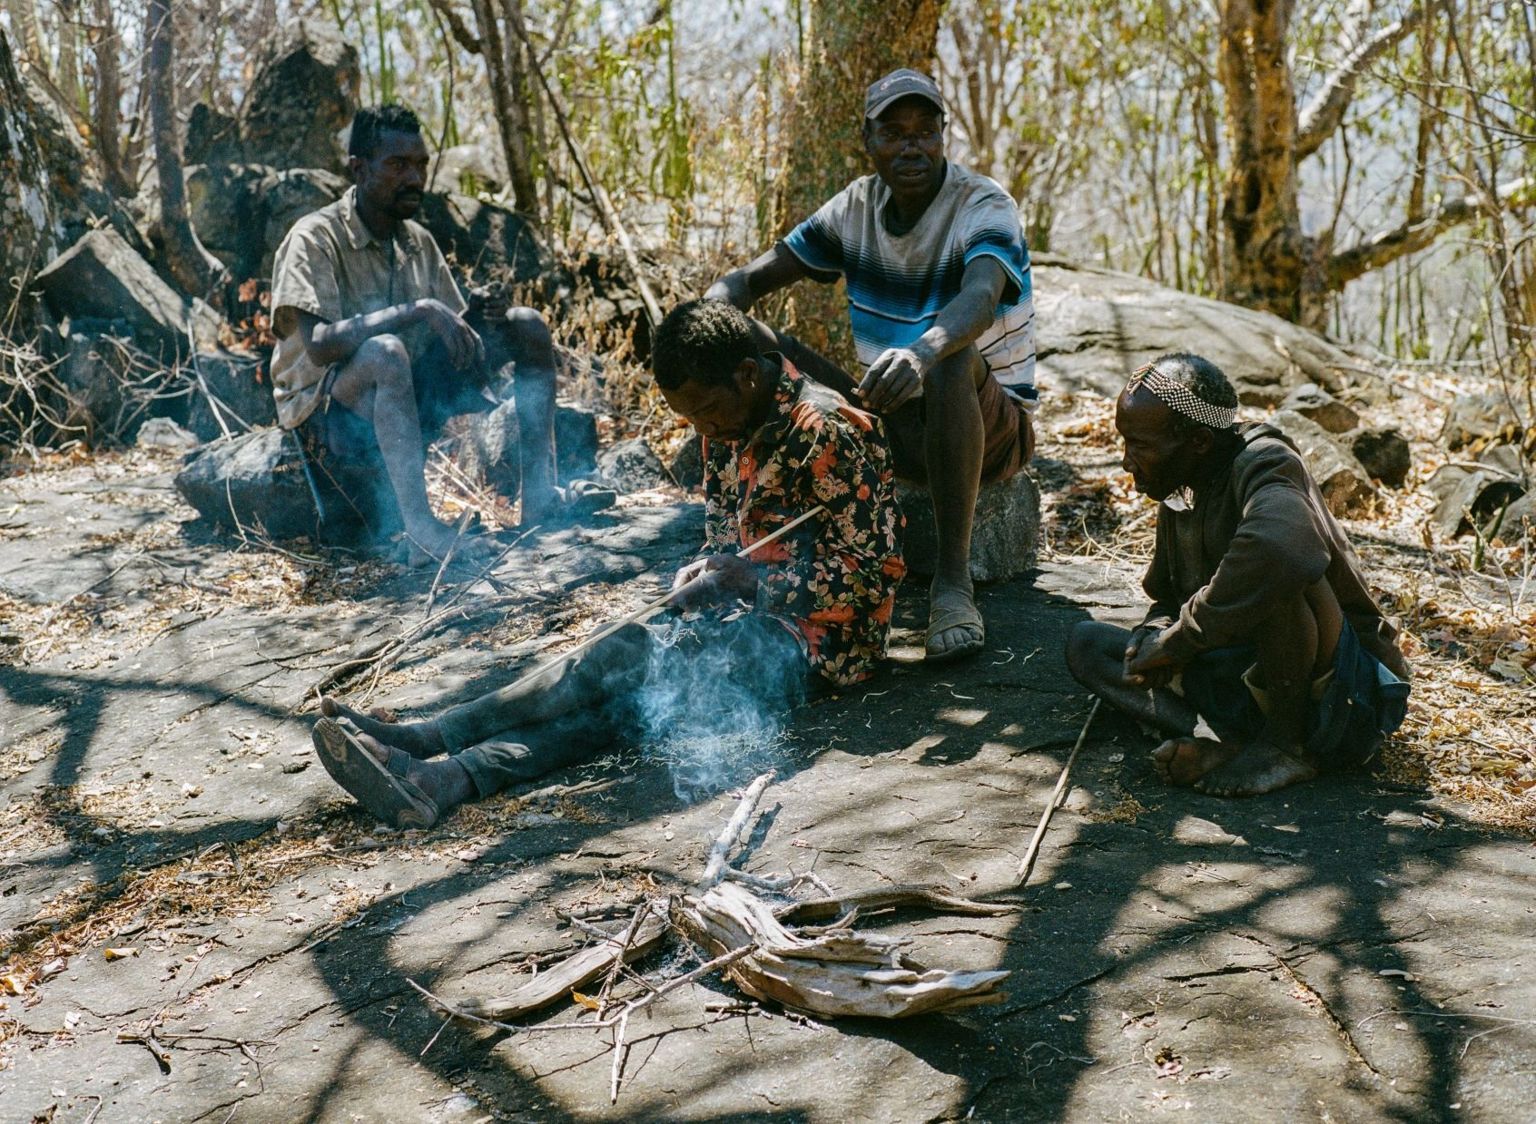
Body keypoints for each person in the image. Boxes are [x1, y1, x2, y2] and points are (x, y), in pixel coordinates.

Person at [310, 299, 906, 828]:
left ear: (748, 375)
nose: (702, 429)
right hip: (740, 619)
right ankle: (433, 751)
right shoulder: (727, 424)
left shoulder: (828, 433)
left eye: (705, 410)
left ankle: (446, 768)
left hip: (820, 648)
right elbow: (727, 539)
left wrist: (752, 583)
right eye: (689, 418)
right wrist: (705, 575)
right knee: (619, 656)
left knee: (632, 692)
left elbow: (874, 577)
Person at [706, 68, 1035, 662]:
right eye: (894, 133)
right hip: (887, 418)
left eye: (925, 131)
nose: (912, 147)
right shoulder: (856, 206)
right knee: (751, 340)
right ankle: (748, 536)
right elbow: (752, 278)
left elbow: (981, 297)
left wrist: (922, 351)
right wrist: (707, 313)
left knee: (951, 359)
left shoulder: (983, 204)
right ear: (868, 139)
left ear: (943, 135)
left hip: (988, 430)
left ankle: (952, 585)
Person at [1065, 354, 1411, 797]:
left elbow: (1281, 552)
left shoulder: (1266, 461)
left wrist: (1178, 642)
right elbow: (1168, 598)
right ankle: (1229, 742)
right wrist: (1153, 634)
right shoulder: (1182, 485)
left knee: (1276, 577)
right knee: (1088, 645)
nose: (1127, 462)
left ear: (1199, 441)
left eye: (1140, 446)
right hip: (1243, 675)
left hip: (1342, 698)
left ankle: (1285, 747)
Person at [269, 103, 600, 564]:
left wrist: (479, 318)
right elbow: (321, 345)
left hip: (399, 393)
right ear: (359, 169)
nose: (415, 178)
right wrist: (418, 310)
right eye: (398, 165)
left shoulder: (416, 241)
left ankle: (540, 497)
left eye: (421, 165)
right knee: (385, 352)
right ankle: (423, 533)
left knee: (526, 324)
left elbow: (449, 337)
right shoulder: (314, 237)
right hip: (329, 417)